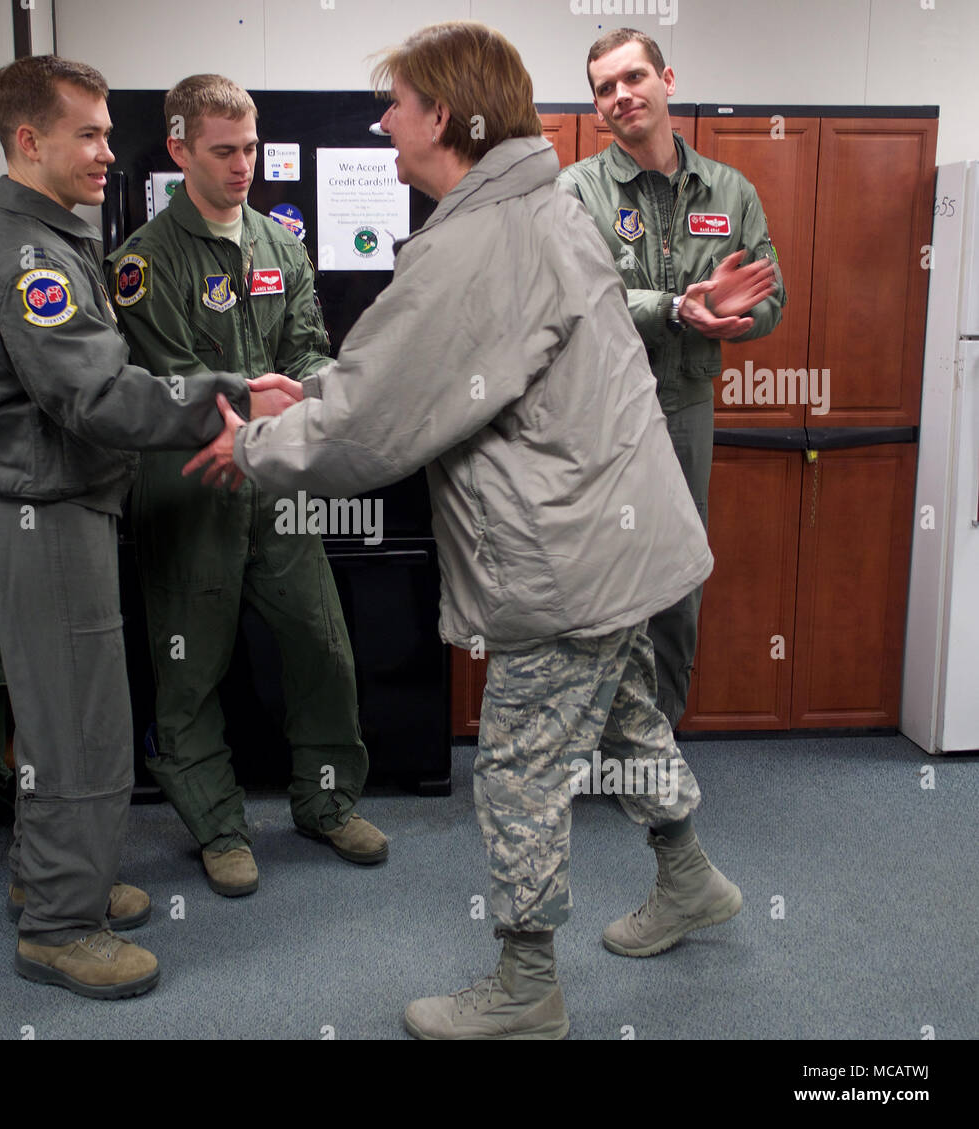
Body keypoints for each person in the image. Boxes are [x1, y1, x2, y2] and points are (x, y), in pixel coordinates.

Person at [183, 21, 742, 1039]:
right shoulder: (548, 201)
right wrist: (308, 391)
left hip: (562, 555)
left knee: (520, 771)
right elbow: (410, 372)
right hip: (616, 534)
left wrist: (253, 449)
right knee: (625, 713)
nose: (380, 121)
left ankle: (526, 988)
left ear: (441, 115)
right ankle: (691, 876)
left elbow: (373, 419)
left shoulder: (476, 244)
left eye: (393, 102)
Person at [0, 55, 289, 1000]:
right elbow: (96, 395)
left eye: (104, 131)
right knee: (85, 731)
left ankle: (45, 877)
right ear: (28, 141)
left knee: (57, 719)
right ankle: (59, 925)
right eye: (87, 133)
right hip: (41, 518)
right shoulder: (31, 260)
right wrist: (230, 392)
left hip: (50, 511)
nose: (107, 150)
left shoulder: (55, 237)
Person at [105, 75, 387, 898]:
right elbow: (172, 381)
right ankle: (218, 824)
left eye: (251, 148)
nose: (242, 166)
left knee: (323, 645)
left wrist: (322, 384)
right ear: (179, 149)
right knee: (190, 668)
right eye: (223, 151)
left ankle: (328, 803)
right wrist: (252, 392)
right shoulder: (140, 264)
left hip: (276, 479)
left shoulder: (281, 244)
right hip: (190, 488)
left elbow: (303, 346)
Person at [555, 29, 785, 731]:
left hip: (686, 410)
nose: (621, 95)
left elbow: (771, 297)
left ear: (667, 80)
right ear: (597, 107)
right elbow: (575, 300)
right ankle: (590, 734)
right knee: (598, 579)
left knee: (678, 579)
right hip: (601, 414)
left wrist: (741, 321)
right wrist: (678, 308)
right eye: (605, 87)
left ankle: (656, 733)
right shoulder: (576, 190)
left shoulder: (731, 190)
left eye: (633, 77)